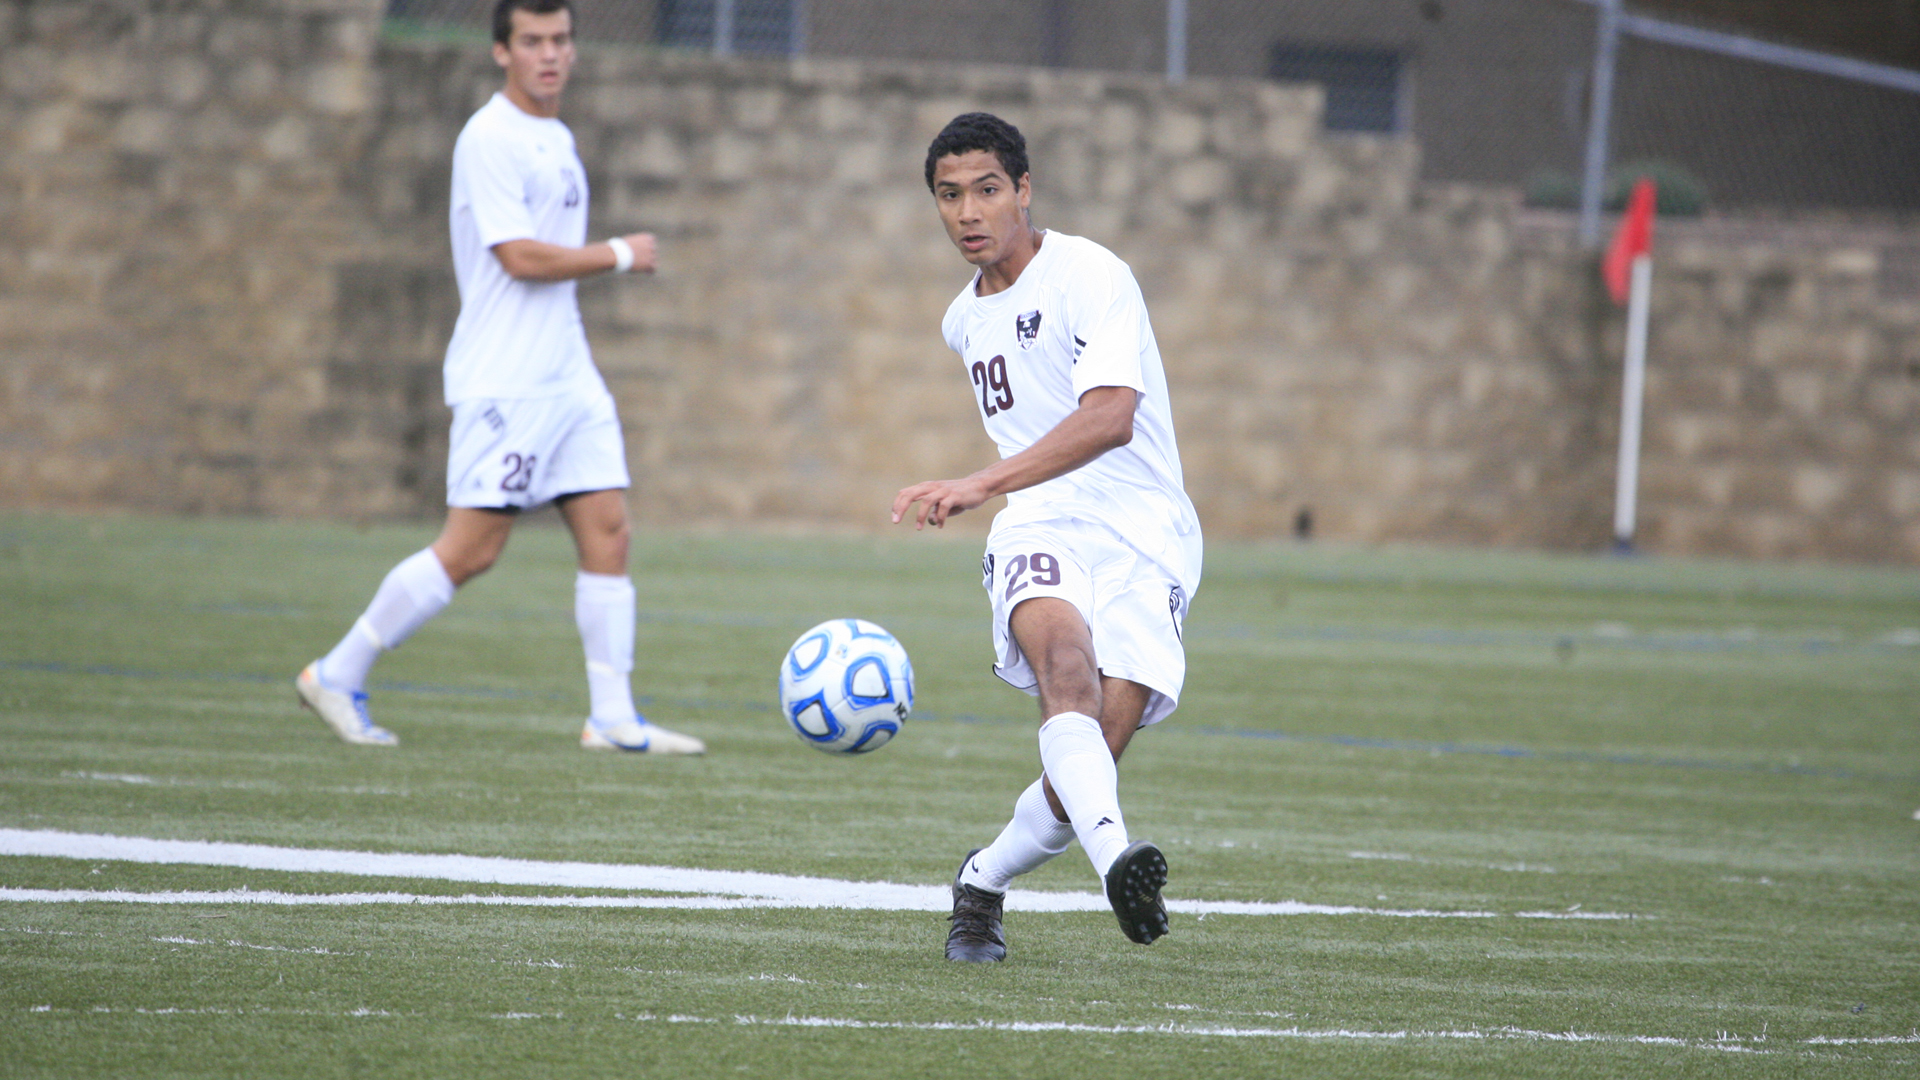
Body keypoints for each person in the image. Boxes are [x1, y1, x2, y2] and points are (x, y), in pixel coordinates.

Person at [294, 0, 704, 755]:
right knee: (472, 549)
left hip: (568, 375)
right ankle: (336, 673)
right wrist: (618, 253)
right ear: (500, 52)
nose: (549, 54)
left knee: (609, 531)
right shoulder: (489, 137)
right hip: (507, 380)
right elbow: (516, 256)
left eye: (560, 40)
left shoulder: (556, 136)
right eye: (532, 41)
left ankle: (613, 718)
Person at [892, 113, 1203, 961]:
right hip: (1039, 521)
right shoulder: (962, 321)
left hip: (1145, 529)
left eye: (987, 189)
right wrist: (1000, 492)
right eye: (949, 195)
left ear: (1024, 190)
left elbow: (1110, 418)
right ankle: (1118, 865)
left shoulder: (1091, 274)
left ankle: (981, 880)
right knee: (1067, 673)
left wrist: (978, 483)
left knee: (1089, 761)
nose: (968, 212)